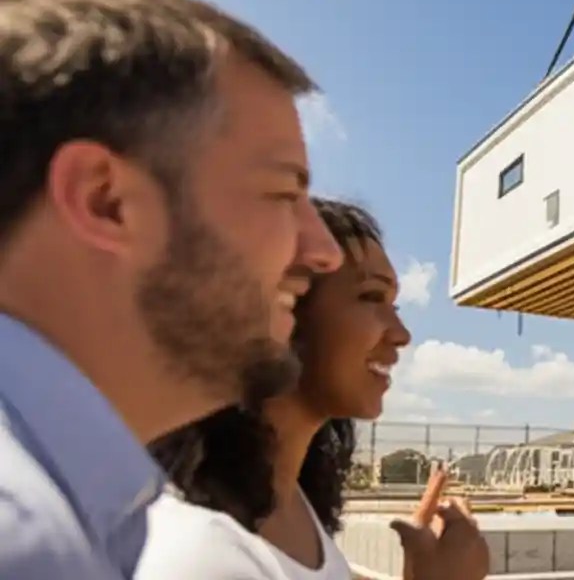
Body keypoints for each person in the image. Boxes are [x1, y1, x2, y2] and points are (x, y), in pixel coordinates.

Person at [0, 0, 346, 578]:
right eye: (281, 193)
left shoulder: (84, 515)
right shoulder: (27, 545)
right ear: (107, 201)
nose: (324, 253)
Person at [136, 198, 490, 580]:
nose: (402, 335)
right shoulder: (198, 554)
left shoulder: (291, 501)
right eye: (371, 297)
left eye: (396, 306)